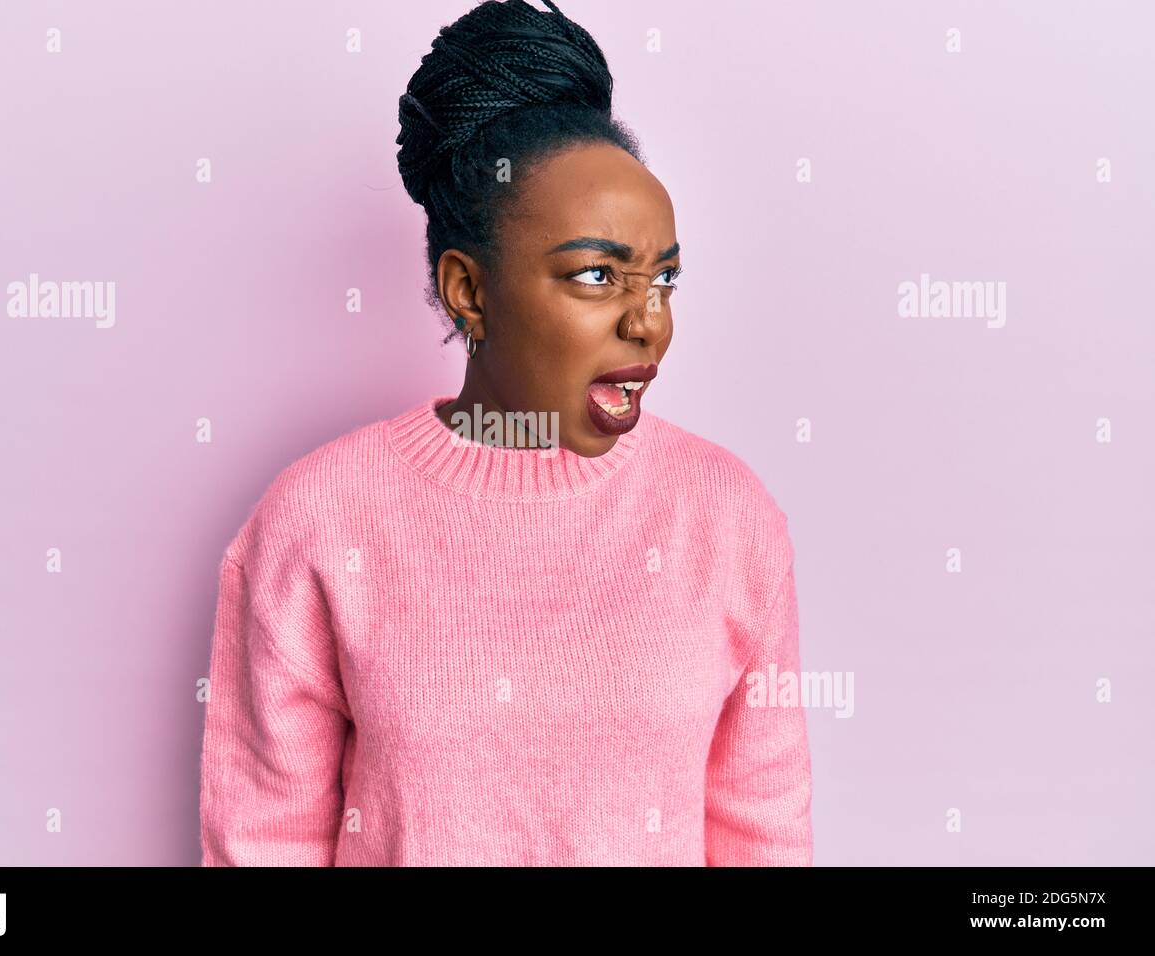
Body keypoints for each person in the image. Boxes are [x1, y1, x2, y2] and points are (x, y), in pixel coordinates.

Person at [199, 0, 812, 866]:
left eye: (664, 279)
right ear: (468, 291)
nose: (650, 323)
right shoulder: (319, 522)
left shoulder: (728, 519)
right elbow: (262, 844)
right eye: (597, 274)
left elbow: (764, 833)